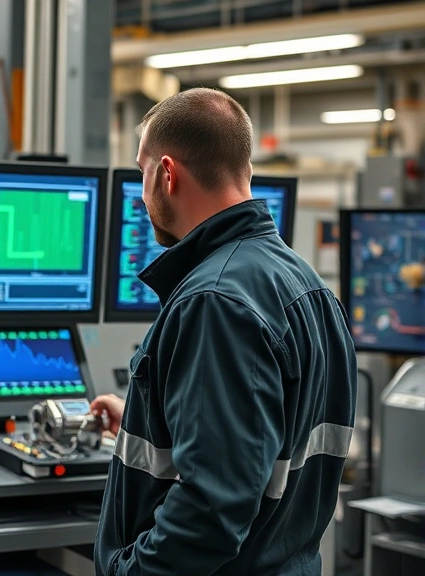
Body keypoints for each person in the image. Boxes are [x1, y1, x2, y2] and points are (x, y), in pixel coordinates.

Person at [90, 87, 357, 575]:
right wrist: (146, 415)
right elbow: (267, 437)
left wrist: (129, 571)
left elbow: (212, 511)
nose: (143, 191)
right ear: (245, 170)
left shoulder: (215, 301)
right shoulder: (307, 286)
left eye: (142, 172)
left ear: (166, 174)